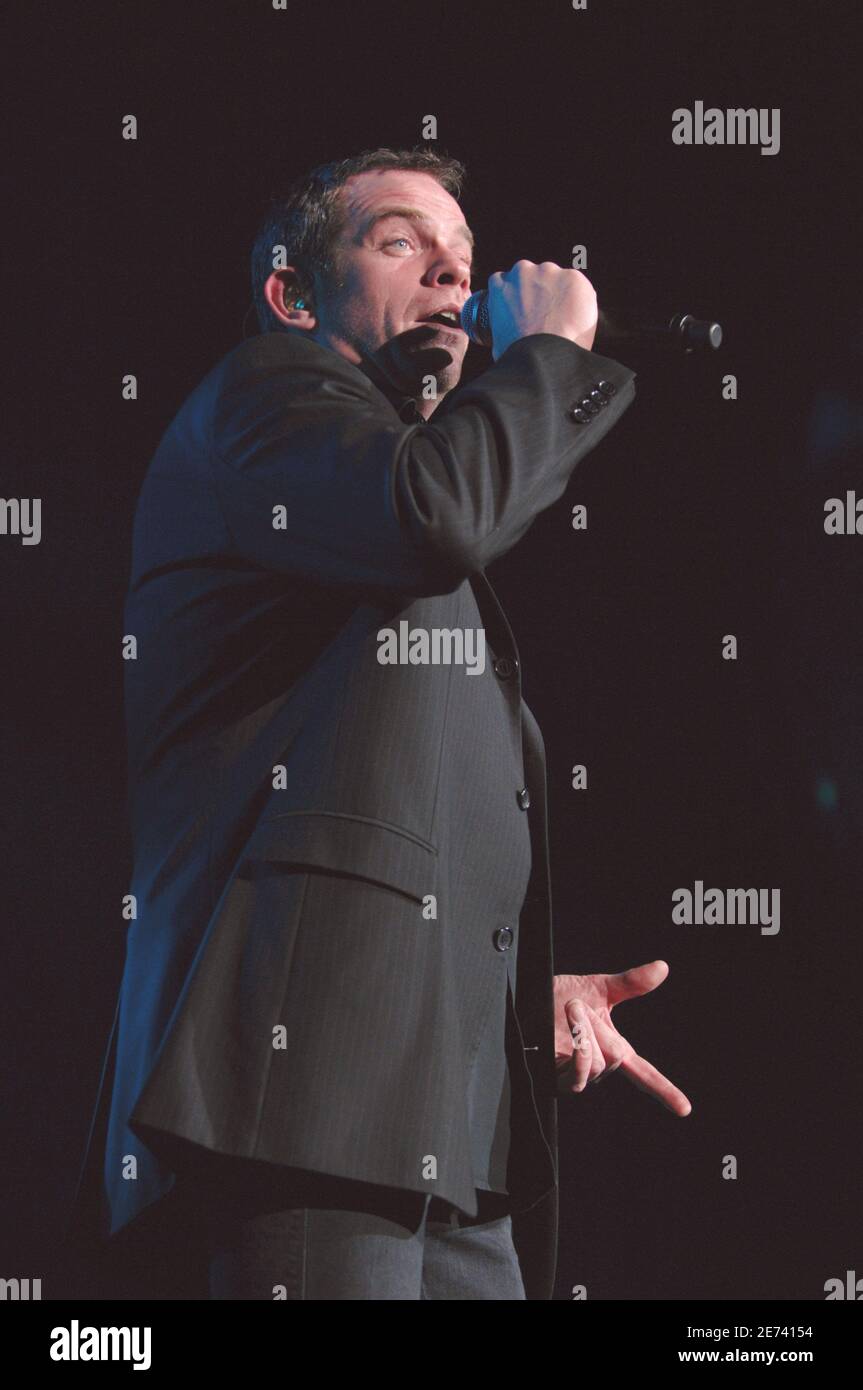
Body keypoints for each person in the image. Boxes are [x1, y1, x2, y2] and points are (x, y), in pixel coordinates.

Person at [67, 146, 691, 1301]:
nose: (454, 278)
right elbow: (433, 513)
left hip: (449, 1134)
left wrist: (514, 986)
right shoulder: (266, 397)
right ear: (292, 293)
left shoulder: (392, 503)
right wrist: (552, 353)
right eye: (402, 244)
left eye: (462, 262)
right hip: (300, 1104)